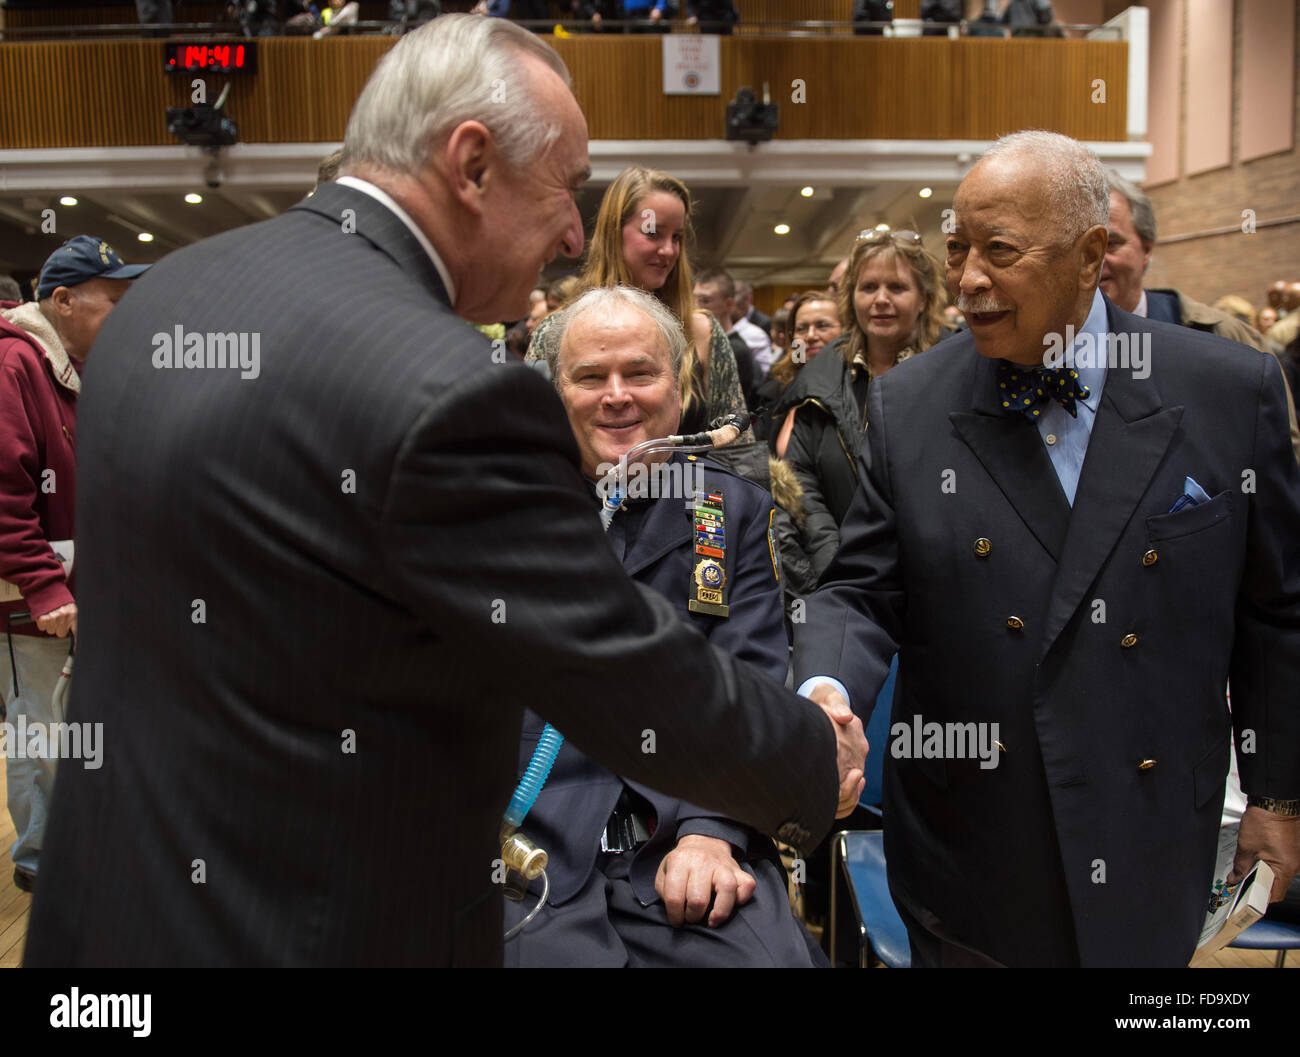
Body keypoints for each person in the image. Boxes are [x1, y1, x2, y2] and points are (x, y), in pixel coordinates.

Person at [24, 15, 865, 969]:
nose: (565, 232)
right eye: (566, 188)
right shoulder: (444, 390)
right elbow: (613, 664)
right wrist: (810, 753)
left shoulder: (164, 304)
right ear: (472, 165)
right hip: (318, 922)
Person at [797, 130, 1300, 968]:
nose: (967, 281)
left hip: (1150, 835)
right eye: (957, 252)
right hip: (974, 847)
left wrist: (1278, 793)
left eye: (1000, 251)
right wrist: (824, 690)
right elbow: (858, 591)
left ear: (1092, 254)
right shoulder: (910, 406)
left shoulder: (1228, 392)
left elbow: (1277, 613)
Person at [504, 286, 822, 966]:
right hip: (529, 846)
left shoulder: (731, 510)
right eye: (590, 376)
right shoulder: (503, 512)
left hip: (688, 833)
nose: (616, 395)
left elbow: (755, 681)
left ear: (678, 389)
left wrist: (712, 832)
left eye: (639, 373)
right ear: (554, 393)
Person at [1, 236, 147, 894]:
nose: (126, 314)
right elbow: (4, 489)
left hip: (67, 591)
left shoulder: (70, 368)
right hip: (30, 601)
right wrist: (40, 583)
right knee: (36, 727)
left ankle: (71, 843)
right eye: (113, 302)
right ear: (63, 301)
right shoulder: (13, 365)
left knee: (66, 726)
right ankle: (41, 860)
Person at [530, 167, 750, 439]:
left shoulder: (702, 330)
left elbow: (734, 441)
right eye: (653, 233)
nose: (668, 250)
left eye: (676, 237)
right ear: (614, 234)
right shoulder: (557, 330)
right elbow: (530, 435)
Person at [780, 229, 947, 580]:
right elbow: (801, 479)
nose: (880, 300)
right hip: (842, 574)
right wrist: (837, 562)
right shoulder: (820, 373)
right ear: (851, 297)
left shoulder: (956, 369)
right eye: (869, 287)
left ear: (924, 298)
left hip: (938, 577)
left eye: (897, 288)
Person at [1101, 170, 1300, 462]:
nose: (1094, 260)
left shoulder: (1224, 339)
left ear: (1146, 249)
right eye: (1079, 246)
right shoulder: (1042, 345)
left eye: (1110, 244)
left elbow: (1279, 456)